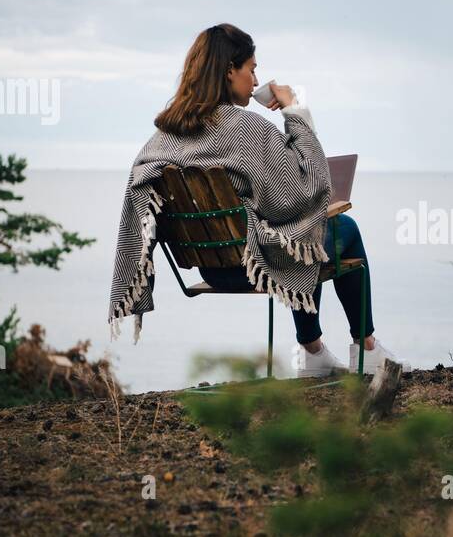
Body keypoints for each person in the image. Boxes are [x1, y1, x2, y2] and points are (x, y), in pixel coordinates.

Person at [154, 23, 404, 378]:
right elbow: (310, 185)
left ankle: (314, 350)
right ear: (229, 70)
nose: (255, 82)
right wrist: (293, 110)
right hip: (254, 267)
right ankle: (366, 347)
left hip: (213, 267)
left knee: (299, 233)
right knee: (339, 228)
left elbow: (141, 183)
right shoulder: (244, 128)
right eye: (251, 69)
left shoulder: (166, 134)